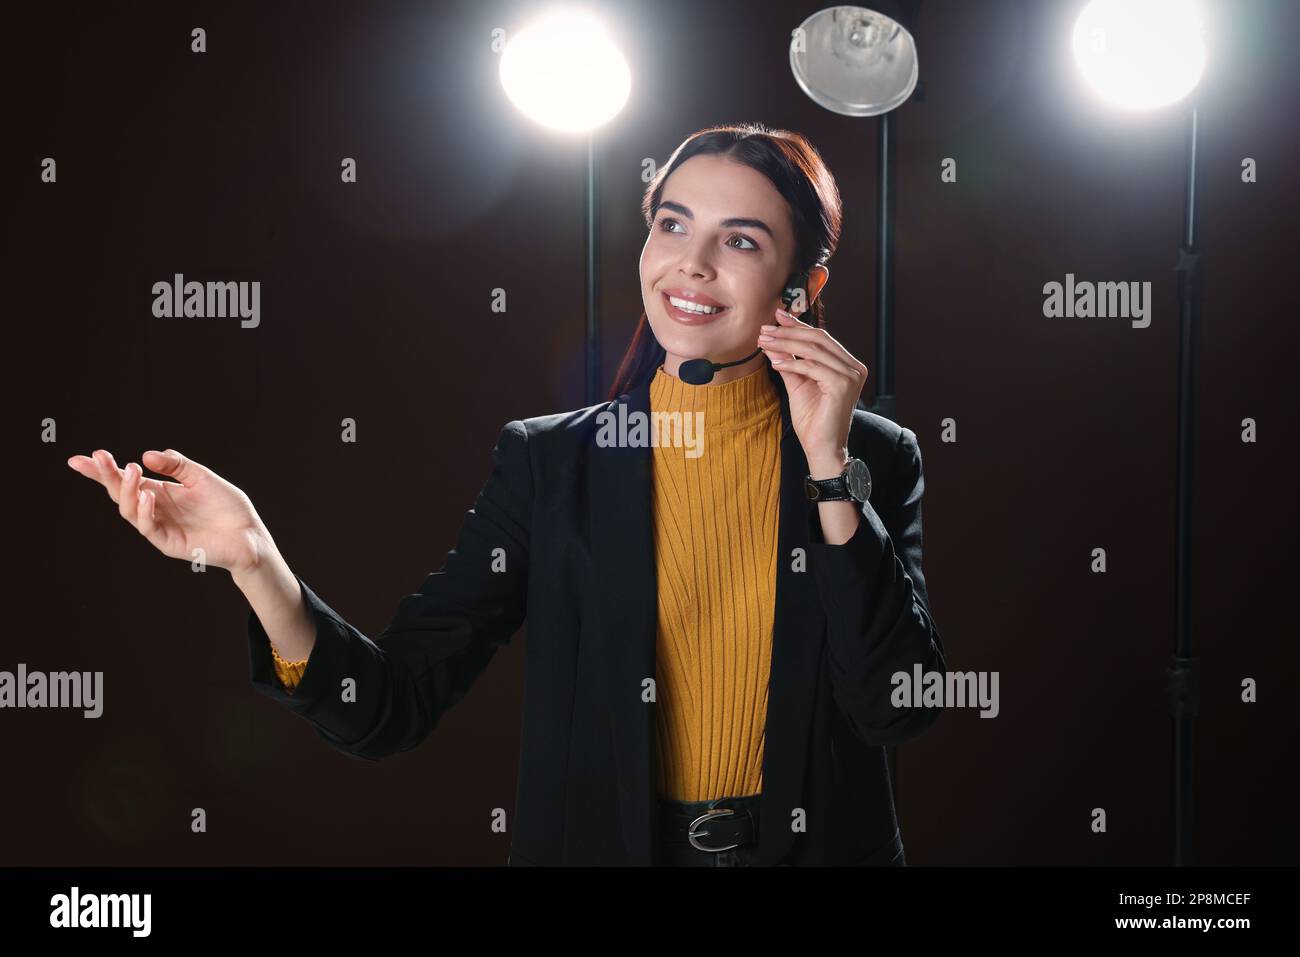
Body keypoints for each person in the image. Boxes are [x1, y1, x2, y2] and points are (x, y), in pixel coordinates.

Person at [67, 122, 947, 866]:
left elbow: (897, 705)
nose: (693, 264)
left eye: (742, 240)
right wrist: (257, 560)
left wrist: (829, 465)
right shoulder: (550, 462)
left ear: (804, 284)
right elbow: (392, 707)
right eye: (673, 225)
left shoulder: (877, 456)